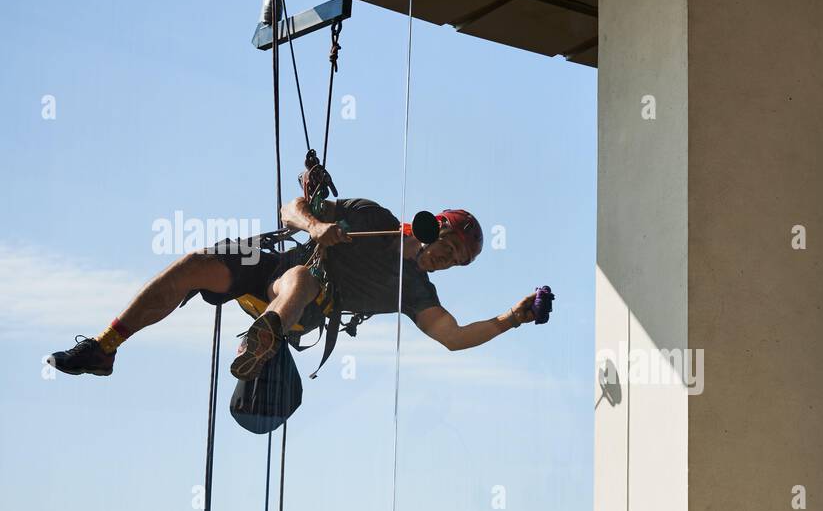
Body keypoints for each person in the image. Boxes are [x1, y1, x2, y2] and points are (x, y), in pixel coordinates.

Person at [46, 197, 546, 380]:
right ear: (433, 228)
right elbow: (290, 210)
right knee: (192, 264)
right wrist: (315, 226)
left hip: (305, 302)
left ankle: (262, 339)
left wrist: (510, 319)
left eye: (455, 262)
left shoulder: (414, 292)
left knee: (303, 279)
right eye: (448, 248)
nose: (445, 262)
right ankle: (105, 348)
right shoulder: (371, 217)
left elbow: (453, 337)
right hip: (270, 262)